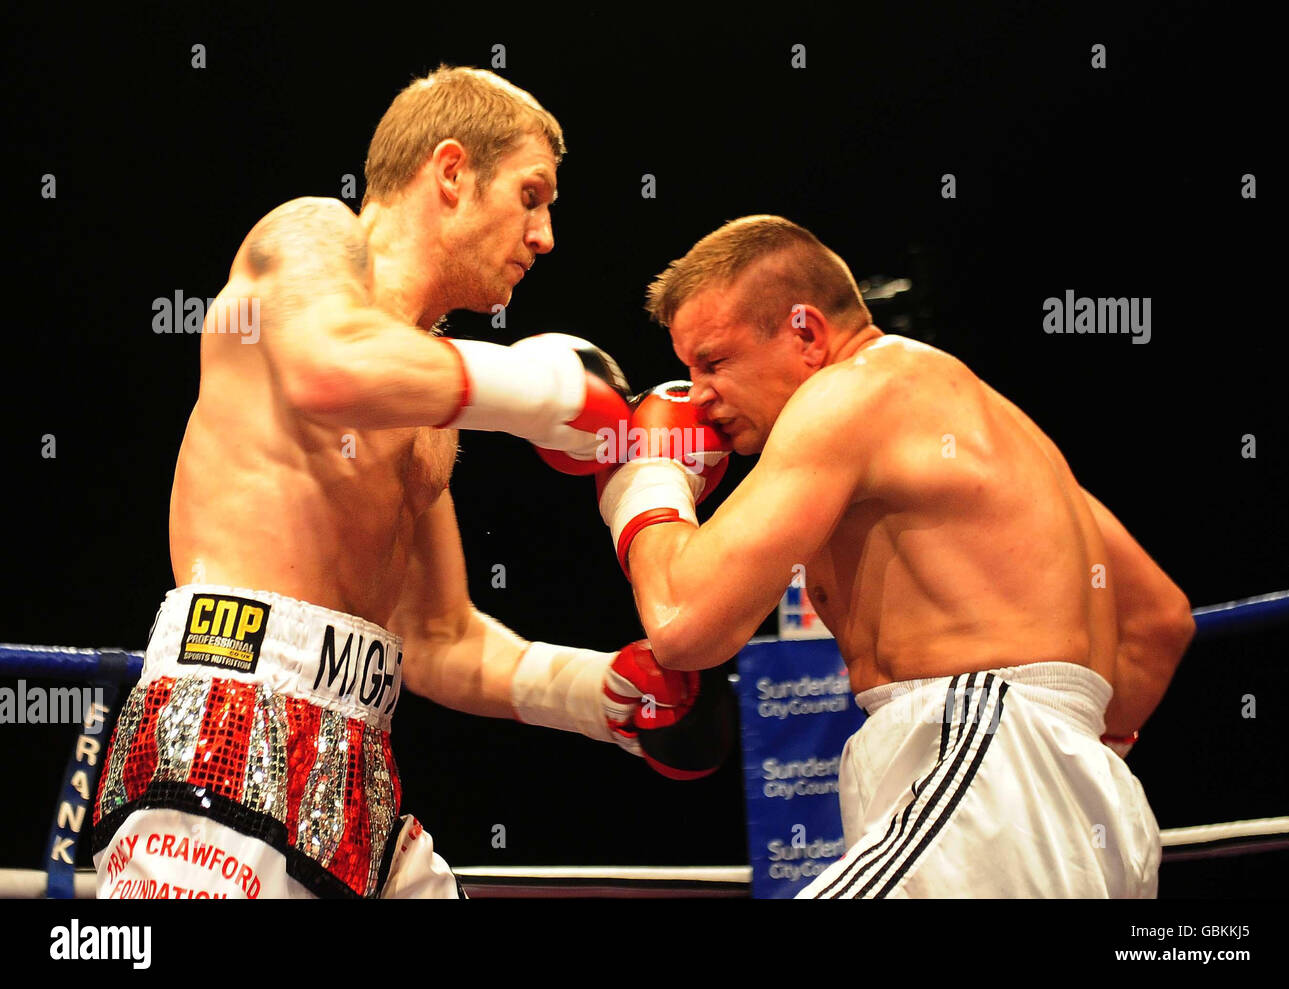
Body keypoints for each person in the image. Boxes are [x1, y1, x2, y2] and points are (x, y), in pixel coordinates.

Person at [91, 66, 727, 901]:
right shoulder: (309, 238)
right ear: (452, 172)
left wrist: (599, 696)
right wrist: (546, 393)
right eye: (531, 196)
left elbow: (436, 636)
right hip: (227, 722)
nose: (545, 236)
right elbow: (327, 367)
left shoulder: (430, 396)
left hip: (359, 766)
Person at [596, 214, 1195, 897]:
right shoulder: (988, 422)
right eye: (688, 369)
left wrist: (645, 477)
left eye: (714, 361)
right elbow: (1158, 618)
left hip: (988, 771)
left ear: (806, 333)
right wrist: (1065, 774)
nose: (698, 396)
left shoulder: (849, 395)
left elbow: (683, 621)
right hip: (1058, 800)